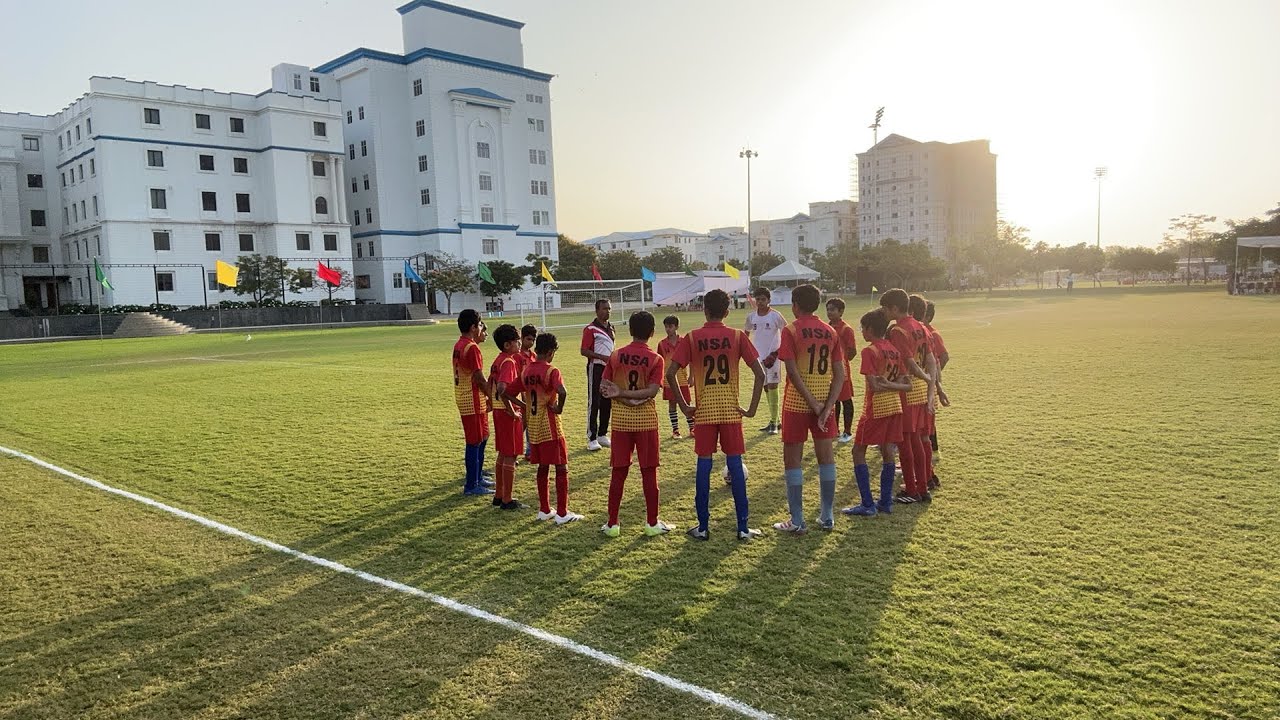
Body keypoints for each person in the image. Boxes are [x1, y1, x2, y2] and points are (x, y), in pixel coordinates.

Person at [669, 289, 766, 541]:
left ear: (704, 310)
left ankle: (702, 527)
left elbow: (670, 374)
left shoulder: (691, 338)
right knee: (735, 465)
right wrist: (752, 408)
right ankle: (743, 528)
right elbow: (761, 374)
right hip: (731, 411)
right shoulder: (736, 336)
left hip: (704, 412)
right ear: (727, 311)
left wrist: (683, 406)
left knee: (704, 465)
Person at [776, 284, 846, 533]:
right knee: (826, 459)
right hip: (824, 402)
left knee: (792, 460)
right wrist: (827, 406)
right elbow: (840, 374)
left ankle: (797, 521)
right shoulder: (830, 331)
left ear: (795, 305)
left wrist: (813, 403)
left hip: (797, 403)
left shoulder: (791, 330)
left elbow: (793, 372)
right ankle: (827, 517)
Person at [598, 311, 670, 537]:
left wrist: (621, 395)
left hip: (621, 423)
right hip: (646, 422)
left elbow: (605, 387)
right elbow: (652, 391)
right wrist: (630, 396)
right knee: (649, 473)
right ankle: (651, 523)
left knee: (618, 473)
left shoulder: (616, 355)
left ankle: (612, 524)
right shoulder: (656, 359)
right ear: (651, 332)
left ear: (630, 330)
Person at [843, 309, 913, 516]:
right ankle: (884, 502)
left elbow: (874, 385)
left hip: (876, 408)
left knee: (858, 452)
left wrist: (886, 384)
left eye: (863, 328)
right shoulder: (894, 350)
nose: (862, 332)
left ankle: (867, 504)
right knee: (887, 450)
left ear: (870, 329)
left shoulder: (870, 351)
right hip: (895, 407)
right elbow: (906, 385)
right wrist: (893, 385)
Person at [879, 289, 937, 504]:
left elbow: (910, 363)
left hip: (907, 391)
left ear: (894, 308)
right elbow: (931, 359)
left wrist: (922, 377)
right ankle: (922, 487)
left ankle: (912, 489)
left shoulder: (898, 331)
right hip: (921, 391)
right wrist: (929, 384)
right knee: (919, 441)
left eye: (886, 309)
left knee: (905, 443)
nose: (884, 313)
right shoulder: (921, 326)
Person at [522, 333, 581, 524]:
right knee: (561, 466)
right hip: (550, 426)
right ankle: (562, 513)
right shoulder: (551, 371)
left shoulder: (527, 371)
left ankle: (544, 509)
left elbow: (506, 391)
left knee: (543, 466)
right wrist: (559, 408)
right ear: (549, 352)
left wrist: (523, 406)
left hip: (534, 427)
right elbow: (563, 391)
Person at [454, 310, 494, 496]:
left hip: (466, 397)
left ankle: (477, 476)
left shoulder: (460, 345)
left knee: (482, 436)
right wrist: (491, 396)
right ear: (473, 327)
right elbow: (478, 377)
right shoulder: (472, 348)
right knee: (474, 441)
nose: (481, 328)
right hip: (472, 399)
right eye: (479, 325)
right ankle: (472, 484)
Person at [488, 324, 527, 510]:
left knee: (503, 453)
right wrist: (514, 409)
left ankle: (499, 495)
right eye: (516, 341)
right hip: (505, 413)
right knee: (511, 454)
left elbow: (492, 385)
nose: (519, 344)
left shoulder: (498, 360)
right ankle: (507, 499)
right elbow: (503, 389)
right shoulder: (509, 362)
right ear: (507, 345)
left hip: (497, 410)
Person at [743, 287, 786, 434]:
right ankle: (776, 421)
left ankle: (774, 423)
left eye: (763, 299)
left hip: (773, 356)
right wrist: (748, 352)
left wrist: (777, 353)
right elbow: (746, 334)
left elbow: (786, 333)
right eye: (758, 299)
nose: (760, 302)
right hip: (758, 357)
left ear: (769, 300)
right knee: (766, 387)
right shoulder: (751, 316)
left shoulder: (775, 316)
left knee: (773, 386)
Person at [580, 299, 615, 452]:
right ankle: (592, 437)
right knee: (594, 401)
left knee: (607, 400)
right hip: (596, 367)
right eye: (604, 308)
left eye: (609, 308)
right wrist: (601, 357)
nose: (607, 311)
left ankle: (602, 433)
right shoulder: (590, 329)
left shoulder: (612, 328)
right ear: (597, 310)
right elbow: (584, 350)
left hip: (609, 369)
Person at [923, 301, 951, 490]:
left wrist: (935, 376)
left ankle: (933, 452)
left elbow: (944, 356)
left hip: (927, 382)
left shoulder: (931, 333)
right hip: (925, 381)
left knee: (927, 422)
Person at [826, 297, 858, 444]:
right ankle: (835, 430)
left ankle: (847, 431)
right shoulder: (827, 327)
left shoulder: (846, 329)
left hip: (842, 370)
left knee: (846, 400)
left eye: (832, 309)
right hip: (828, 370)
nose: (829, 312)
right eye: (828, 309)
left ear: (841, 311)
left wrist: (842, 361)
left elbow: (852, 351)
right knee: (834, 400)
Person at [657, 315, 693, 439]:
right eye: (666, 327)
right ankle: (675, 430)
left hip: (682, 379)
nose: (668, 329)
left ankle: (692, 428)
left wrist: (691, 377)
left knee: (687, 403)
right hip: (668, 381)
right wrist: (659, 380)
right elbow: (659, 363)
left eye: (670, 326)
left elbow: (692, 360)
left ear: (676, 327)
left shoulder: (684, 342)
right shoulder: (661, 344)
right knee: (672, 404)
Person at [519, 324, 538, 461]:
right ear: (522, 337)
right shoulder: (517, 356)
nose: (530, 343)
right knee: (521, 424)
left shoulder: (533, 356)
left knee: (530, 422)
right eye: (528, 339)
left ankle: (529, 450)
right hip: (520, 394)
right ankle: (513, 449)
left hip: (531, 395)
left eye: (533, 340)